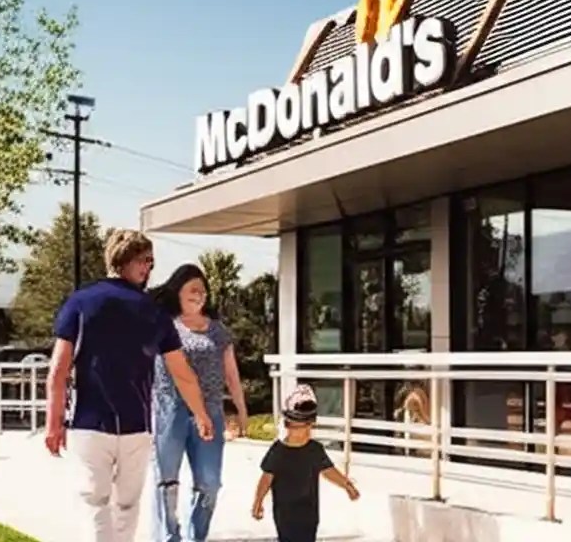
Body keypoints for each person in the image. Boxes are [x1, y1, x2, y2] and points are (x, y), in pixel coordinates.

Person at [45, 229, 214, 542]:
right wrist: (200, 413)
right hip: (135, 424)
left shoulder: (80, 303)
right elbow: (182, 372)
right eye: (145, 261)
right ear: (127, 262)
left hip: (89, 423)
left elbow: (58, 370)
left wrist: (53, 422)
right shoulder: (152, 312)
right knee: (126, 506)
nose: (149, 268)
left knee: (94, 502)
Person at [149, 263, 250, 542]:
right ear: (177, 291)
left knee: (210, 483)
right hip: (170, 409)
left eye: (203, 291)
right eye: (193, 290)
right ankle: (168, 536)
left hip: (211, 411)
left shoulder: (217, 331)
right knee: (166, 479)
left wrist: (241, 409)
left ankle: (197, 536)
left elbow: (231, 372)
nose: (199, 295)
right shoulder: (163, 326)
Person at [252, 385, 360, 542]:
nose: (304, 432)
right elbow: (266, 478)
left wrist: (347, 485)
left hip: (309, 514)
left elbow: (329, 471)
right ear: (287, 425)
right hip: (285, 514)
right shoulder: (278, 451)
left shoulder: (314, 450)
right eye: (297, 427)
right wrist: (258, 501)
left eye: (306, 427)